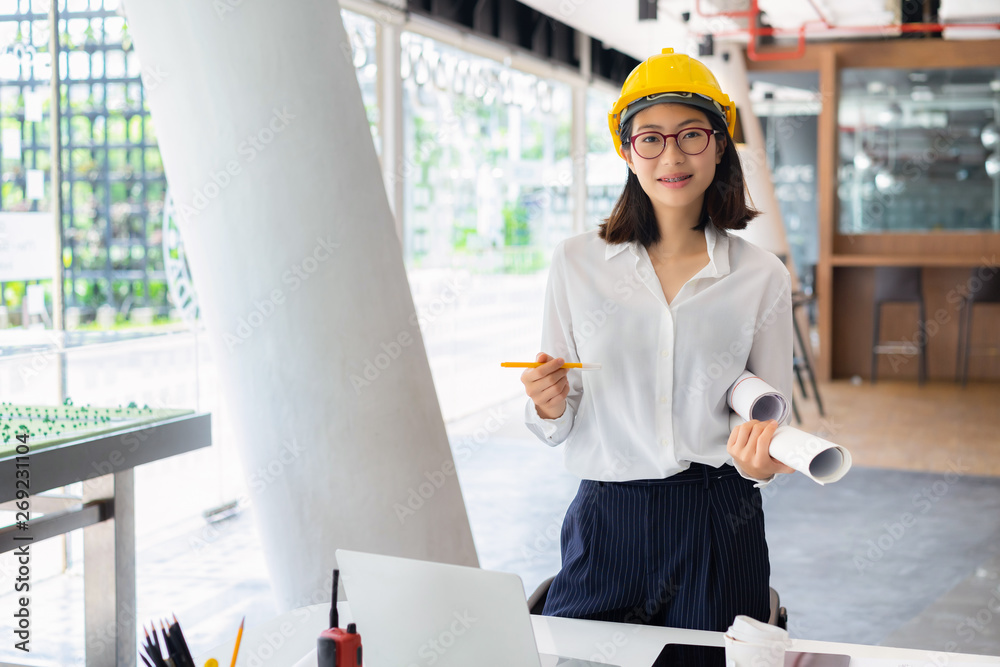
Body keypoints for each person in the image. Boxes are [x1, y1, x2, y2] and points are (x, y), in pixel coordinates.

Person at [520, 47, 795, 632]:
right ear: (626, 150)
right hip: (606, 516)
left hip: (719, 516)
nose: (672, 155)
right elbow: (559, 414)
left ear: (719, 146)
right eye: (650, 138)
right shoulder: (575, 264)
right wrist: (546, 404)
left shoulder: (761, 276)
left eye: (692, 135)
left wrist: (763, 463)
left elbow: (773, 420)